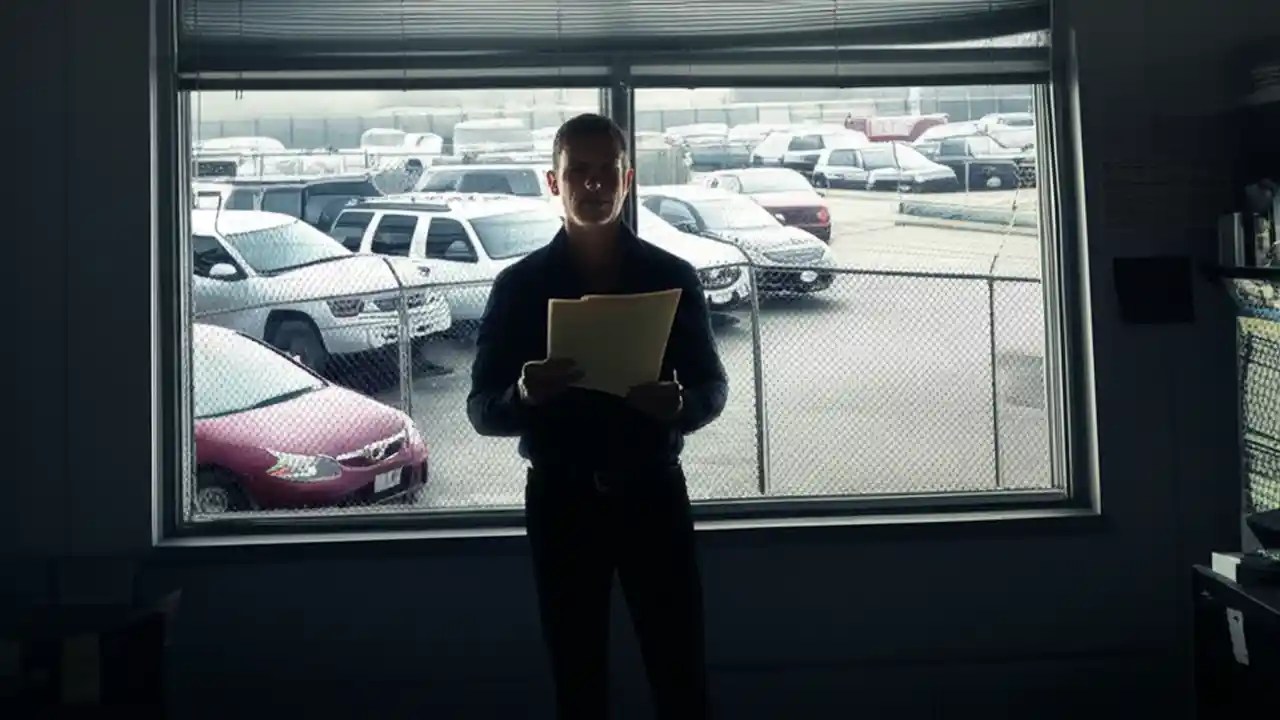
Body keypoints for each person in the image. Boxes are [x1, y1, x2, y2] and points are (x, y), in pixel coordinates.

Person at [467, 113, 727, 719]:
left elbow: (712, 386)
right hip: (562, 503)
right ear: (552, 184)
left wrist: (683, 406)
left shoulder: (672, 277)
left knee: (679, 671)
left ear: (627, 178)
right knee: (576, 675)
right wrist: (525, 397)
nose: (592, 185)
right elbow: (482, 410)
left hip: (653, 496)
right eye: (576, 172)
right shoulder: (519, 287)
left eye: (605, 171)